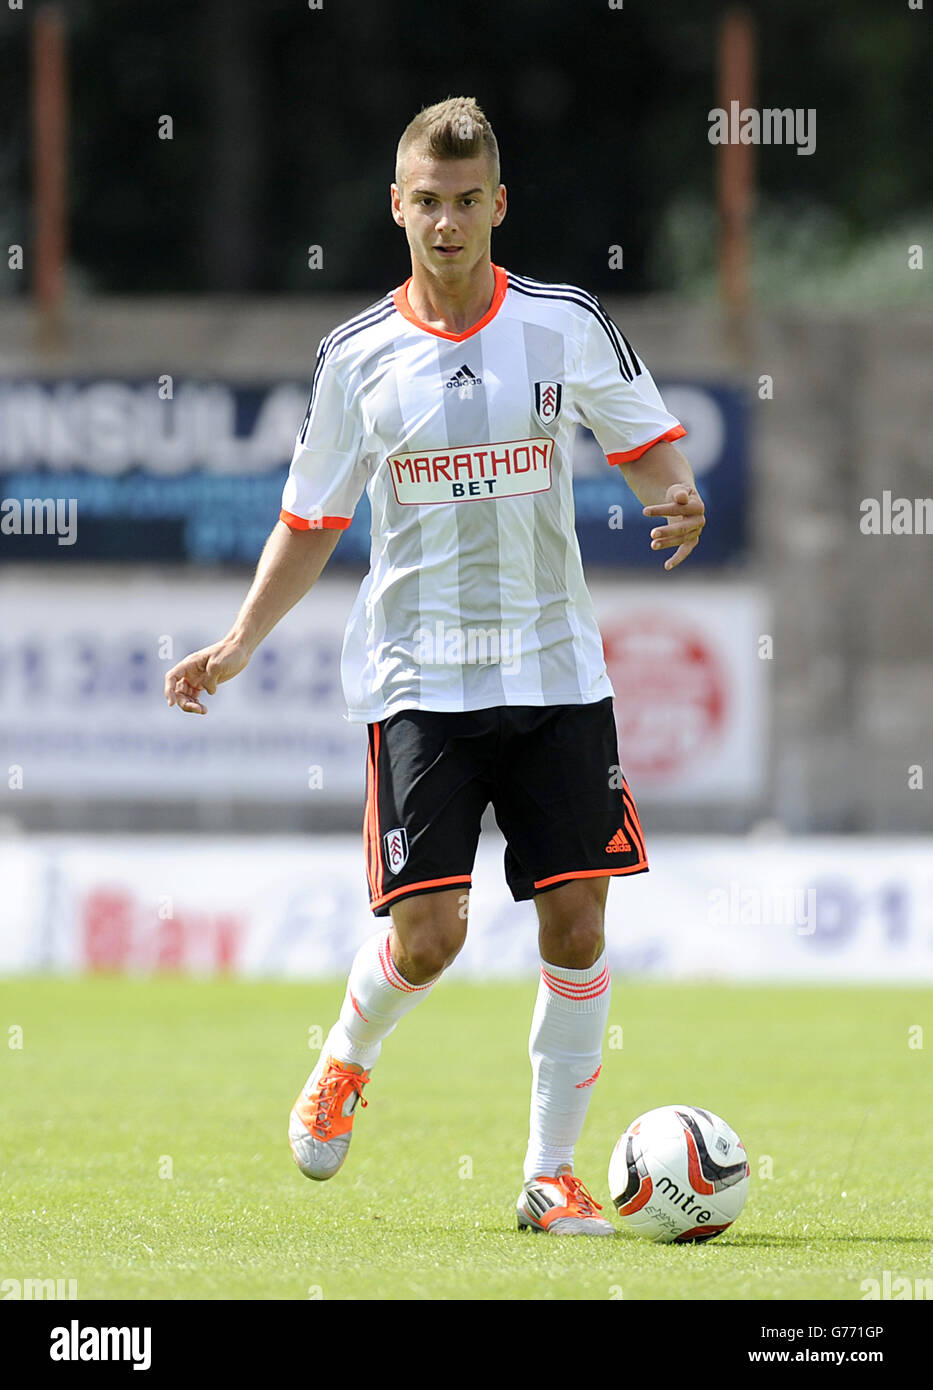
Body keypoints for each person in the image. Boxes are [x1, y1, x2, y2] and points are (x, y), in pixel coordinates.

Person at [164, 96, 705, 1236]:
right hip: (421, 678)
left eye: (468, 201)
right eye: (428, 201)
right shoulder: (357, 358)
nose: (448, 221)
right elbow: (311, 518)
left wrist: (674, 500)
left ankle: (550, 1173)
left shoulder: (563, 324)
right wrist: (240, 641)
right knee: (430, 936)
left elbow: (646, 443)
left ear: (498, 204)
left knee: (578, 921)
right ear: (397, 206)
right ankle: (347, 1053)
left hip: (558, 672)